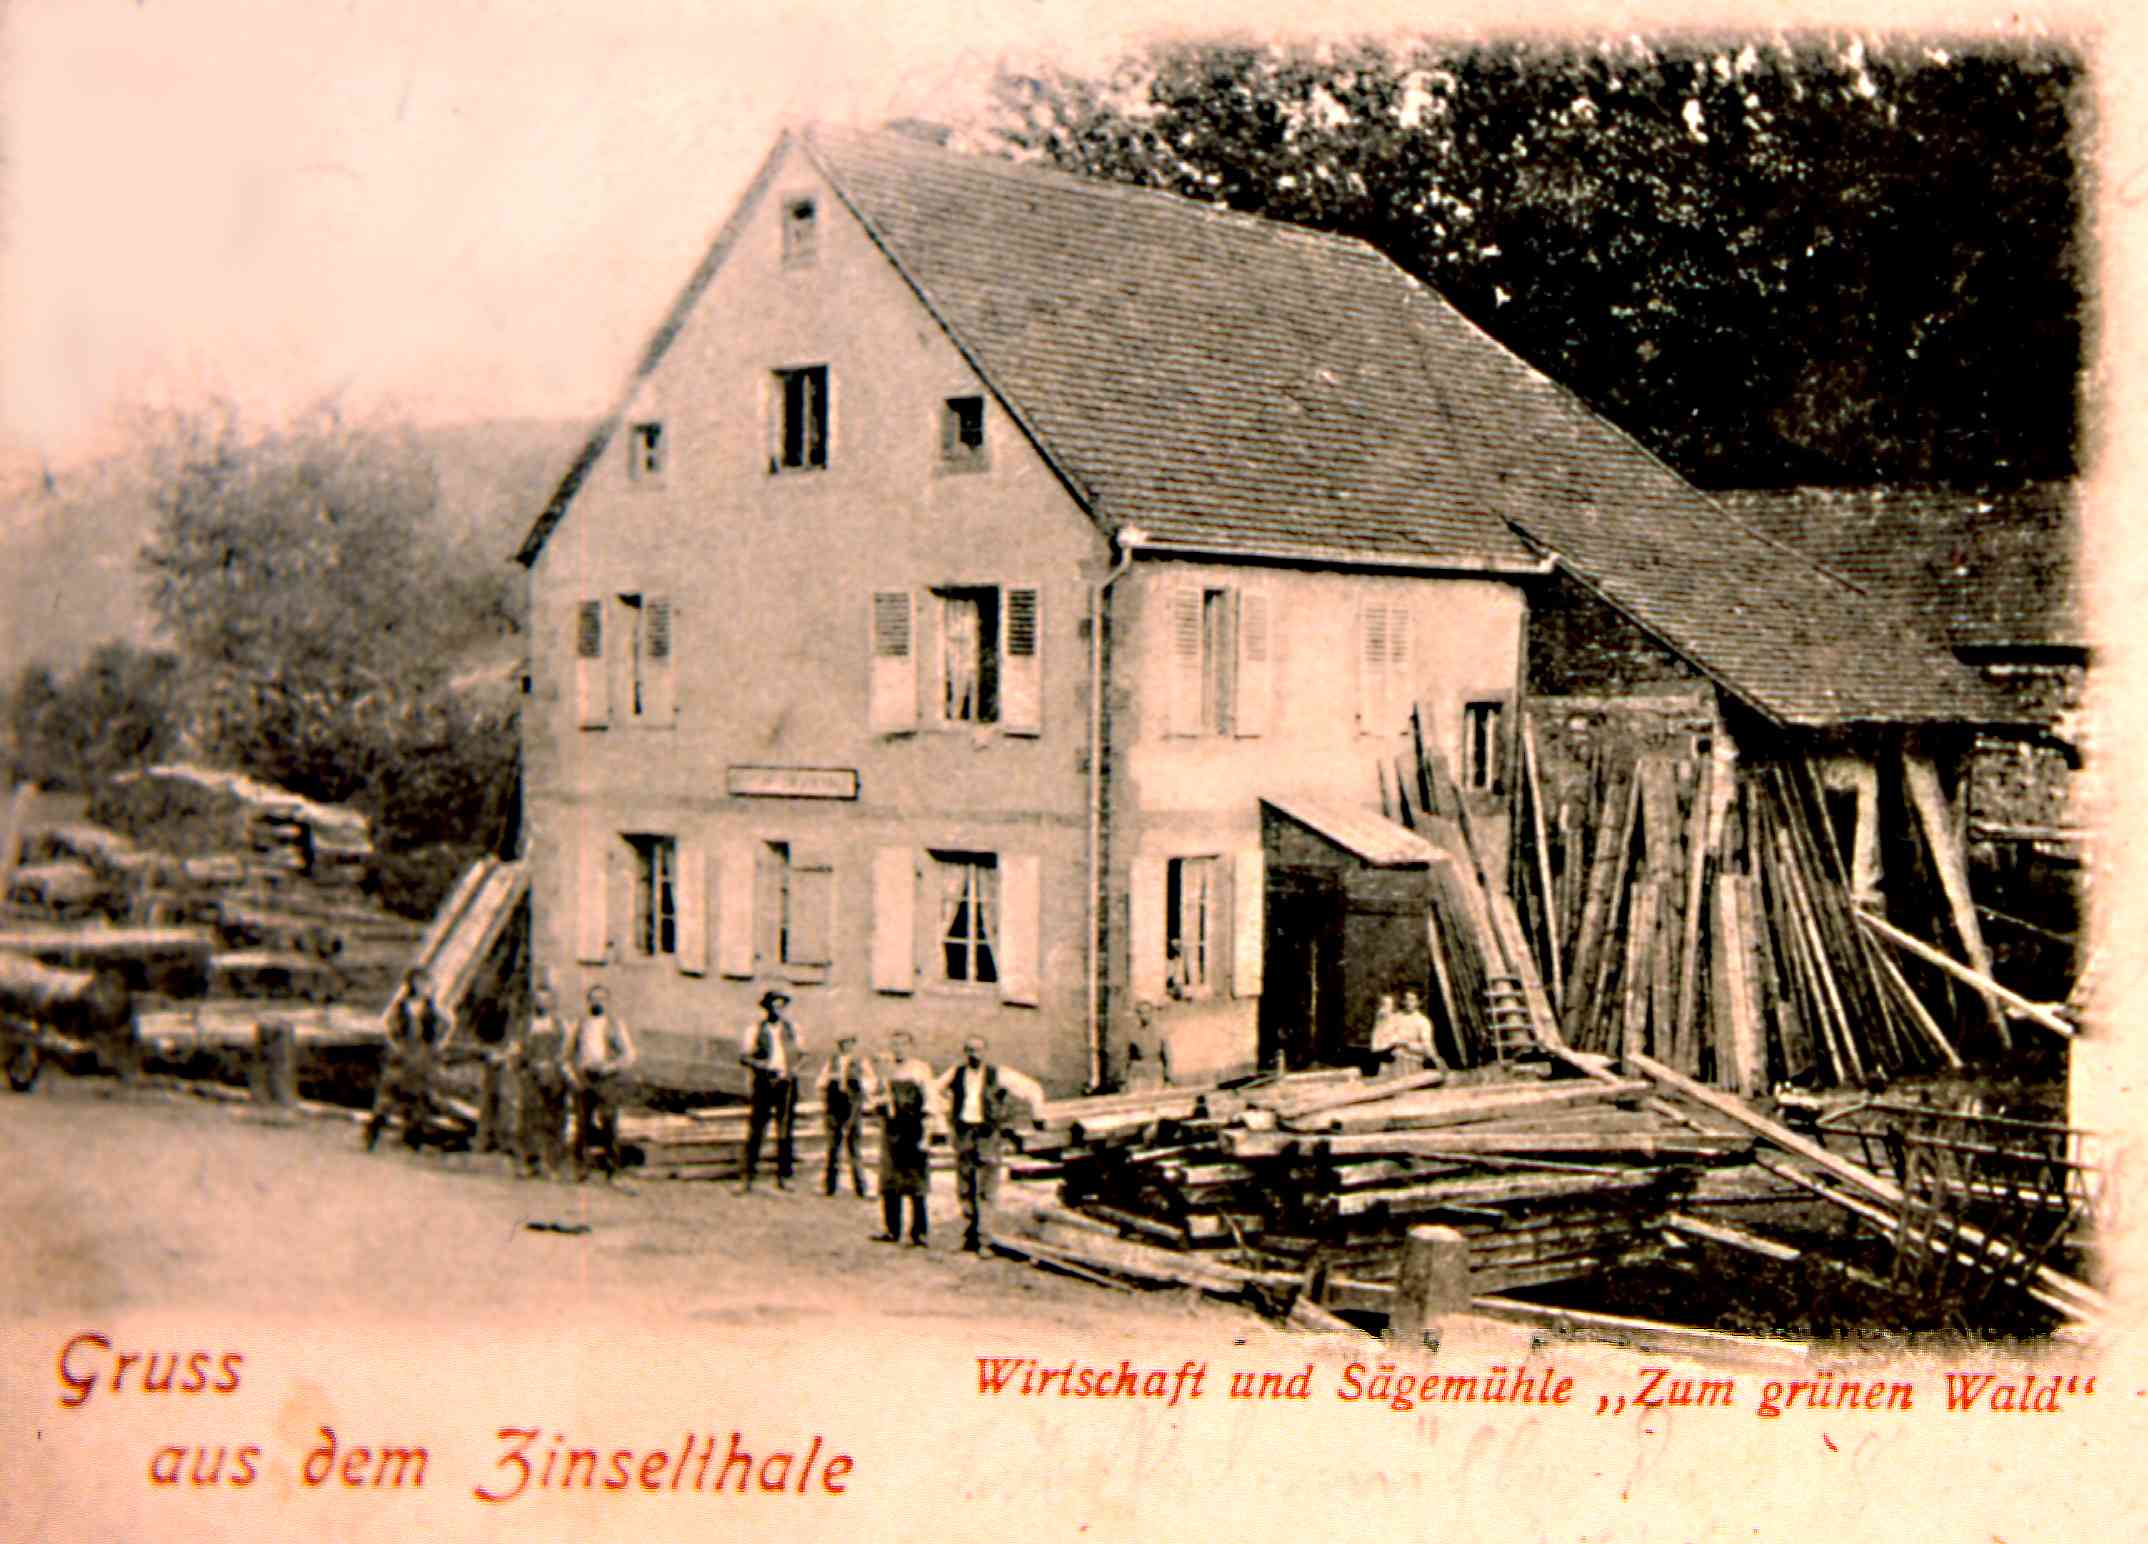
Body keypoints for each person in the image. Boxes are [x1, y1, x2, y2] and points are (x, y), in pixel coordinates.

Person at [934, 1036, 1046, 1254]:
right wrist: (944, 1115)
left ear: (986, 1052)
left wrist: (1037, 1114)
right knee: (965, 1187)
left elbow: (1032, 1088)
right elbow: (931, 1090)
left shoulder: (999, 1074)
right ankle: (970, 1236)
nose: (973, 1055)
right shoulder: (955, 1073)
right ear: (963, 1052)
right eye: (969, 1050)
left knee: (986, 1187)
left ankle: (984, 1239)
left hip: (988, 1135)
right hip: (964, 1133)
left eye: (978, 1050)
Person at [365, 967, 442, 1152]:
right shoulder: (401, 1007)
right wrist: (395, 1046)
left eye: (428, 984)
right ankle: (373, 1131)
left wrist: (434, 1048)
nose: (426, 987)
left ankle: (413, 1138)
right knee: (388, 1096)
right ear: (412, 985)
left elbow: (438, 1031)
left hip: (421, 1055)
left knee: (418, 1096)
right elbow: (390, 1028)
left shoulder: (431, 1010)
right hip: (402, 1053)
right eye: (422, 983)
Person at [871, 1031, 936, 1246]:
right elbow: (876, 1097)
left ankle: (919, 1232)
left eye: (903, 1045)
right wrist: (880, 1102)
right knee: (890, 1181)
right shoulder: (886, 1070)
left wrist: (927, 1135)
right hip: (892, 1131)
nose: (898, 1049)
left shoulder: (921, 1069)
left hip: (914, 1129)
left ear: (911, 1047)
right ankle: (892, 1230)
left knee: (916, 1182)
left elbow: (930, 1102)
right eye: (895, 1045)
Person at [568, 983, 637, 1182]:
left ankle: (612, 1170)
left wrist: (611, 1067)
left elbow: (630, 1054)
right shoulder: (579, 1024)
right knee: (582, 1124)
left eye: (602, 998)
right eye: (594, 998)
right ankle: (580, 1169)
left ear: (608, 1001)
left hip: (606, 1080)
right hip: (585, 1078)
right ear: (588, 1001)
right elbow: (567, 1053)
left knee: (608, 1122)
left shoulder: (615, 1025)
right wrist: (574, 1075)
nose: (598, 1002)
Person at [738, 985, 802, 1192]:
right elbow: (745, 1057)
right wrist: (762, 1066)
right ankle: (748, 1177)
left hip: (786, 1083)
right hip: (764, 1083)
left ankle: (784, 1176)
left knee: (785, 1130)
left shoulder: (793, 1029)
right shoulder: (755, 1030)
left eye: (782, 1007)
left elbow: (802, 1054)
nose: (778, 1011)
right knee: (757, 1128)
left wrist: (792, 1070)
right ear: (766, 1009)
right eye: (774, 1007)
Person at [514, 984, 573, 1179]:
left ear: (552, 1002)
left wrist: (557, 1068)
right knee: (529, 1118)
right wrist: (521, 1066)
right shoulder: (525, 1024)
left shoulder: (561, 1024)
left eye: (546, 999)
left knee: (554, 1119)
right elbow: (516, 1049)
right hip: (531, 1074)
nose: (542, 1003)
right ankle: (529, 1162)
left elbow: (567, 1051)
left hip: (554, 1074)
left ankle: (552, 1164)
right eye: (538, 999)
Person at [816, 1033, 880, 1198]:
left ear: (853, 1044)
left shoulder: (860, 1062)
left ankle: (861, 1188)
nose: (846, 1045)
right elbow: (820, 1082)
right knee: (833, 1147)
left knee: (854, 1147)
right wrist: (831, 1079)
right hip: (834, 1107)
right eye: (843, 1043)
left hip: (853, 1107)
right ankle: (829, 1187)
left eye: (849, 1042)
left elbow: (871, 1082)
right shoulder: (832, 1062)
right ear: (839, 1045)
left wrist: (860, 1082)